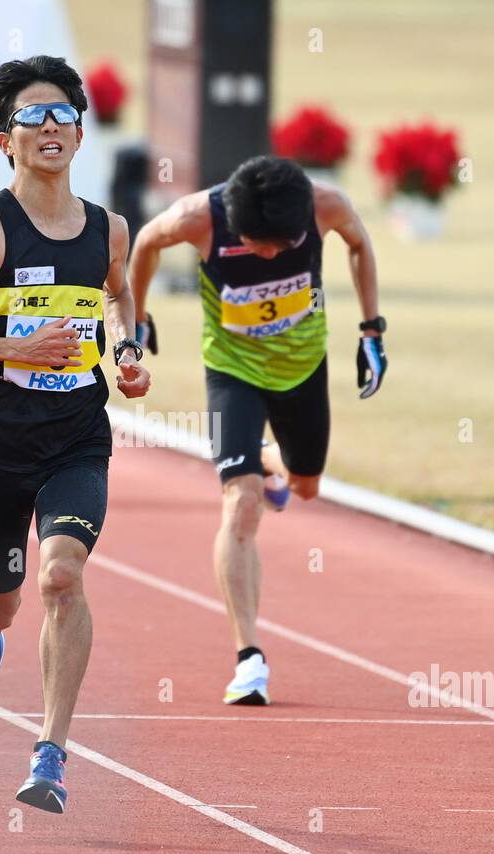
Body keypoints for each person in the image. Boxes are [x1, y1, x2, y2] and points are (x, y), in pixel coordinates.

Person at [0, 55, 150, 814]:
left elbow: (119, 302)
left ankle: (51, 751)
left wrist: (126, 352)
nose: (50, 128)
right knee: (7, 600)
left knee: (62, 577)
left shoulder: (110, 230)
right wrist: (15, 348)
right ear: (2, 141)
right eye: (32, 118)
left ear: (81, 133)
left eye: (62, 116)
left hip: (77, 437)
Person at [128, 155, 387, 706]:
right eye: (258, 245)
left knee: (306, 485)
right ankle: (250, 658)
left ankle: (271, 463)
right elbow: (146, 243)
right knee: (241, 503)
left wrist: (371, 330)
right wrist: (138, 316)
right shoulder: (198, 217)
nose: (269, 255)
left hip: (302, 368)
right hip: (232, 371)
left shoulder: (324, 204)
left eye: (280, 247)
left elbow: (359, 243)